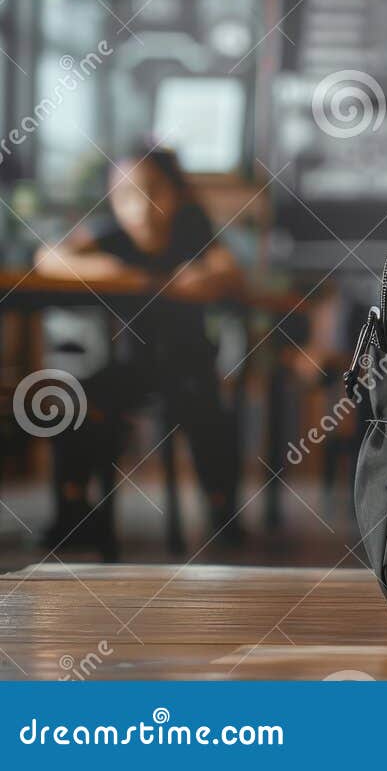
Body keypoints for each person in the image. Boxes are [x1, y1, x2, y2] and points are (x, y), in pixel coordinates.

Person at [34, 145, 245, 550]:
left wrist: (203, 275)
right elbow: (47, 257)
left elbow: (228, 269)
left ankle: (223, 509)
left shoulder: (192, 229)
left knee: (208, 409)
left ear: (177, 193)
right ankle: (74, 509)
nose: (141, 207)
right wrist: (127, 276)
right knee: (73, 397)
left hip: (190, 367)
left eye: (153, 192)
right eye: (126, 195)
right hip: (131, 368)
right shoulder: (110, 238)